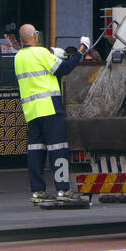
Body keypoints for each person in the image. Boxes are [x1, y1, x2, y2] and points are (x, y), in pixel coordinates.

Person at [14, 24, 88, 203]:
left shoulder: (18, 57)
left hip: (31, 112)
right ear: (35, 36)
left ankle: (37, 191)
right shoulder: (41, 53)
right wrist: (81, 51)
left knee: (35, 152)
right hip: (50, 108)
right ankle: (62, 190)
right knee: (58, 150)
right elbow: (64, 69)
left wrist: (53, 57)